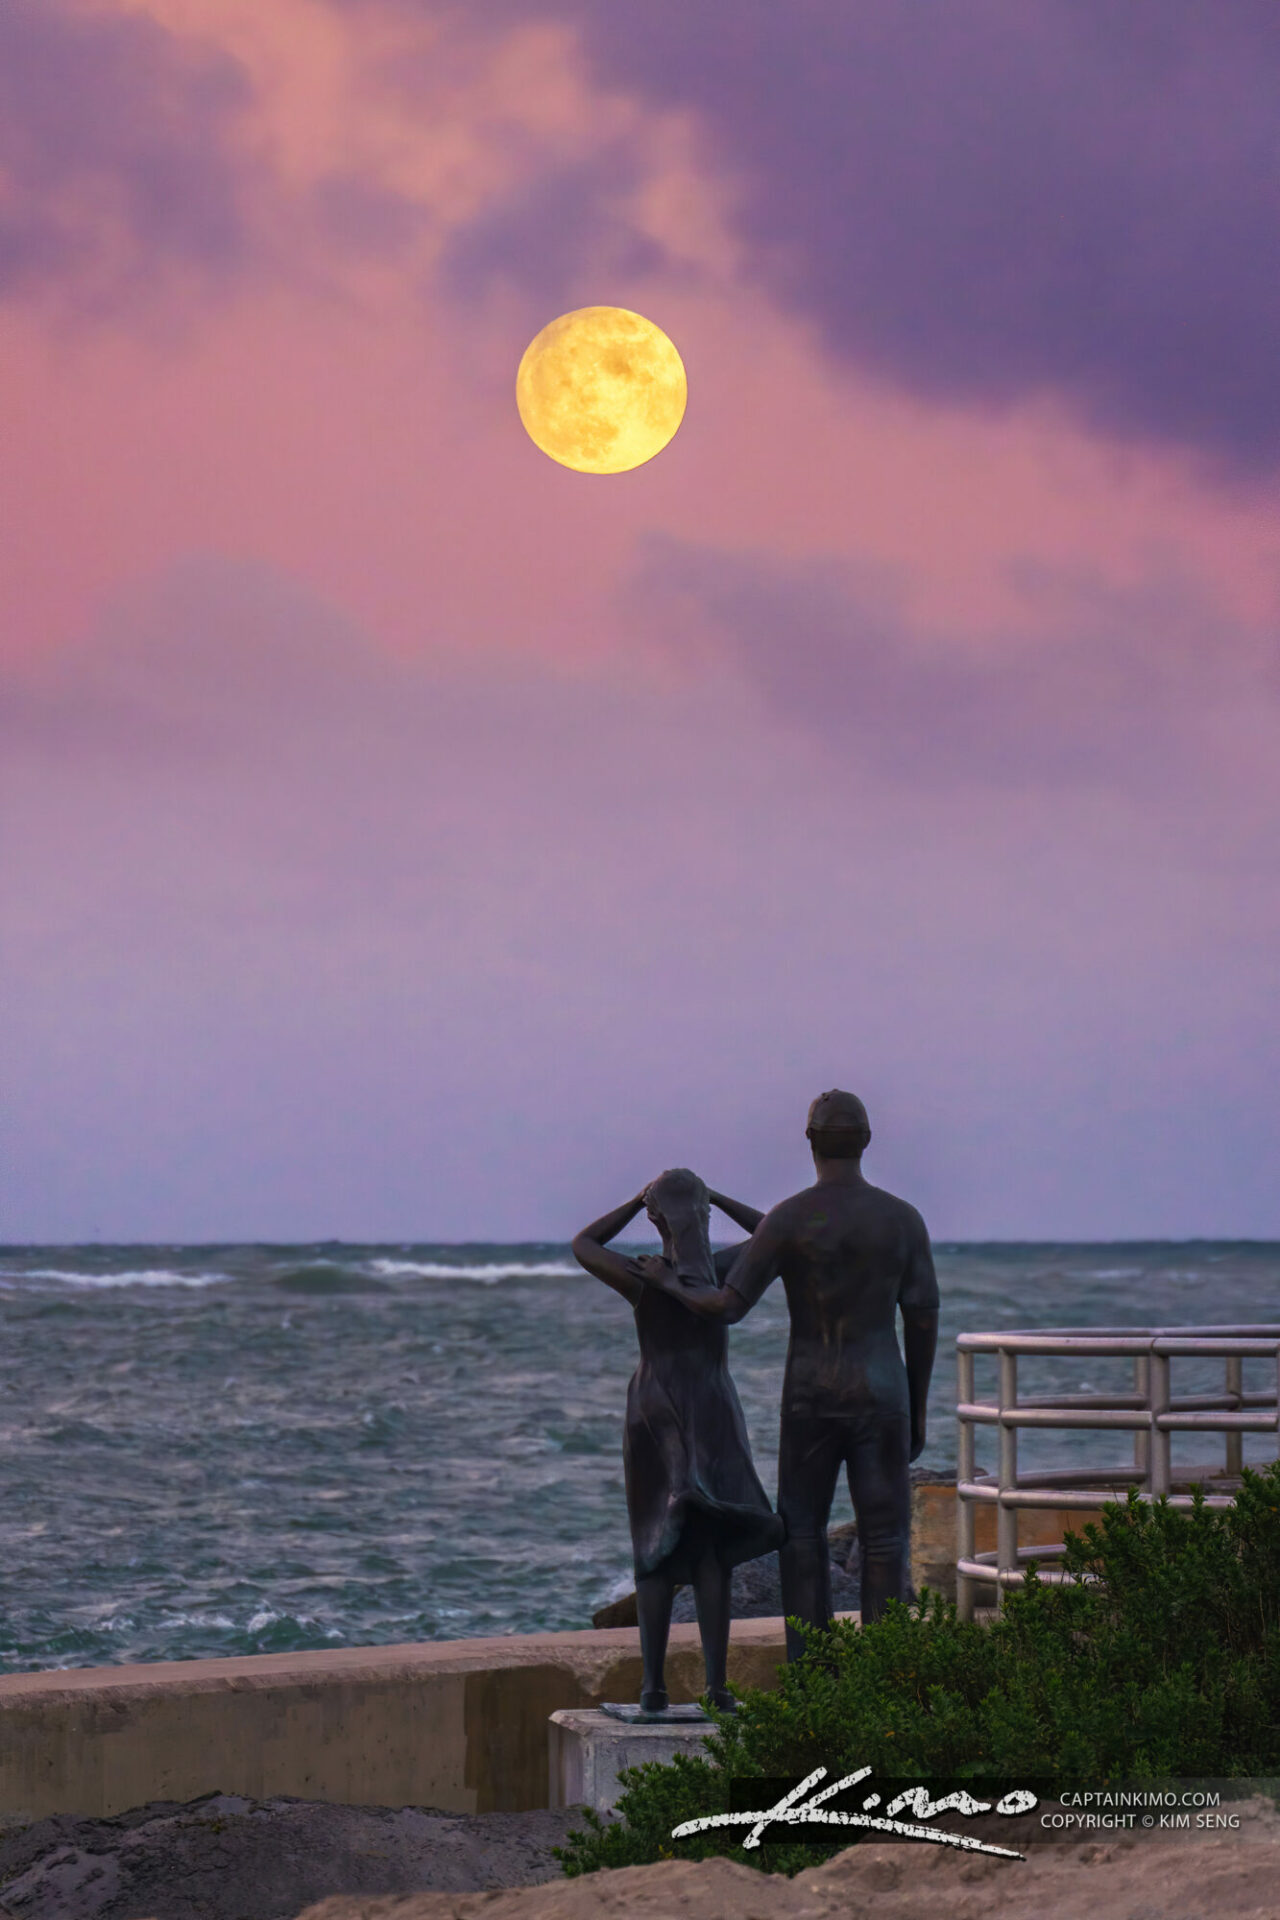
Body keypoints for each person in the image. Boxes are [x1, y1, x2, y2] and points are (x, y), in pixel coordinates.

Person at [633, 1092, 939, 1656]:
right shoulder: (902, 1219)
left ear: (811, 1142)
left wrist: (667, 1282)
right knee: (886, 1540)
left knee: (801, 1537)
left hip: (811, 1399)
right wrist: (917, 1406)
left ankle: (811, 1684)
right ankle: (889, 1677)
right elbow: (922, 1320)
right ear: (866, 1142)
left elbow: (726, 1304)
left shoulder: (793, 1218)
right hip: (883, 1393)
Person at [572, 1168, 784, 1713]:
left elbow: (583, 1243)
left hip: (654, 1410)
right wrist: (715, 1197)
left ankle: (652, 1688)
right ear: (705, 1214)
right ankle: (715, 1687)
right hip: (712, 1406)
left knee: (653, 1547)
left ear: (655, 1217)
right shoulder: (723, 1271)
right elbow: (773, 1231)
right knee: (711, 1553)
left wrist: (633, 1201)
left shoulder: (643, 1274)